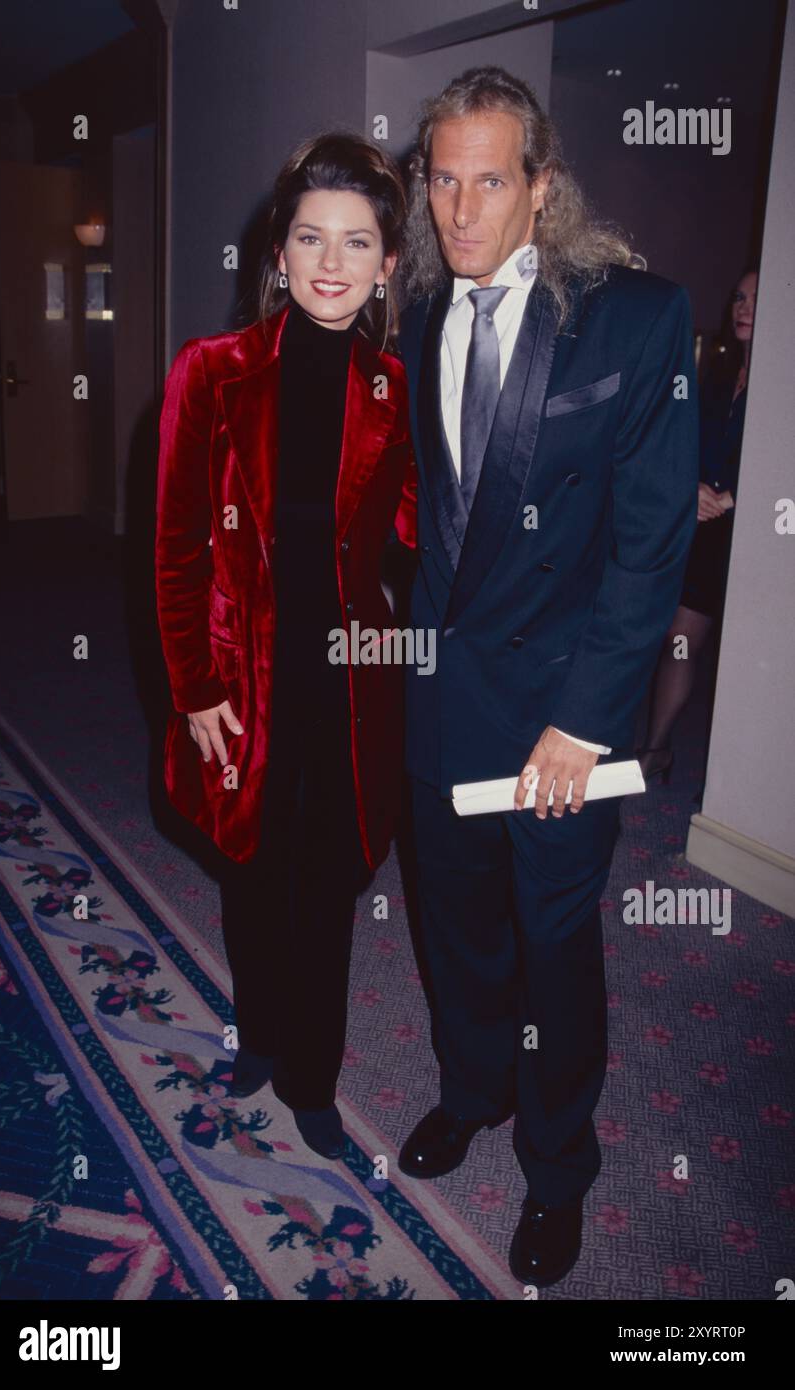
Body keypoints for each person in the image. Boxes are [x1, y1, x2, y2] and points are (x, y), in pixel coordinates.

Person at [394, 66, 699, 1287]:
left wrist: (586, 721)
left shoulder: (636, 316)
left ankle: (556, 1165)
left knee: (555, 944)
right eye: (441, 180)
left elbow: (650, 539)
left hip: (562, 718)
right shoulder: (418, 312)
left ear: (540, 188)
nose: (460, 210)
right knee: (455, 926)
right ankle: (473, 1089)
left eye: (488, 180)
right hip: (444, 695)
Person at [154, 133, 417, 1161]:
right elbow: (176, 545)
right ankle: (260, 1038)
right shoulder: (210, 374)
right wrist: (192, 684)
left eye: (357, 242)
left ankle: (314, 1083)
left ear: (389, 264)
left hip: (350, 681)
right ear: (277, 248)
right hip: (238, 676)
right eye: (311, 235)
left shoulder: (394, 389)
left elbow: (411, 529)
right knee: (250, 873)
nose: (331, 261)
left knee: (328, 886)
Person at [639, 267, 758, 783]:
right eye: (738, 296)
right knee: (673, 637)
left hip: (750, 535)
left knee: (705, 644)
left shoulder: (781, 385)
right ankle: (657, 746)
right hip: (693, 525)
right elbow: (678, 442)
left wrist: (731, 497)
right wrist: (691, 491)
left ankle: (661, 750)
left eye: (756, 298)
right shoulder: (715, 369)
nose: (742, 307)